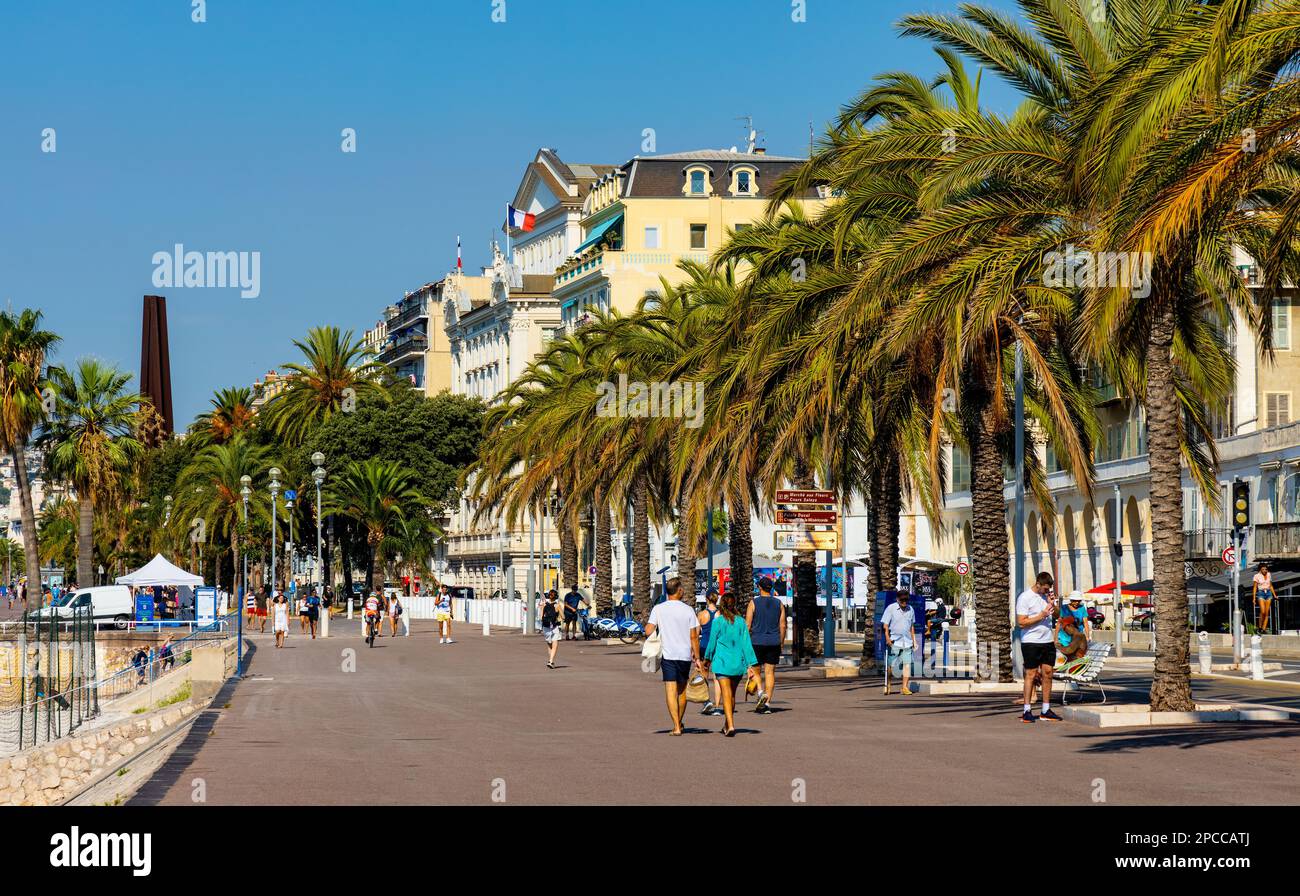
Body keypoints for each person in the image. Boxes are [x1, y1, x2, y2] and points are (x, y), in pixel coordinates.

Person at [645, 576, 701, 736]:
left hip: (667, 654)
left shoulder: (658, 609)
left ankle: (676, 726)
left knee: (670, 689)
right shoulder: (688, 609)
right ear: (679, 590)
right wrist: (697, 658)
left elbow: (649, 630)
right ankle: (679, 722)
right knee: (682, 691)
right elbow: (694, 635)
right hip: (684, 655)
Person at [703, 590, 759, 737]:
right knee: (732, 695)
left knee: (726, 694)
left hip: (722, 663)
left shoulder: (718, 622)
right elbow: (747, 645)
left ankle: (731, 725)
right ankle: (727, 724)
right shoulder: (741, 622)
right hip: (737, 664)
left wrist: (707, 660)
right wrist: (751, 665)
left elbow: (712, 643)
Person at [1016, 571, 1062, 722]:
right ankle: (1027, 710)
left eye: (1049, 589)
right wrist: (1040, 616)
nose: (1047, 591)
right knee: (1031, 674)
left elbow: (1057, 615)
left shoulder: (1047, 597)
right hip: (1031, 641)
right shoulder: (1025, 597)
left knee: (1048, 673)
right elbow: (1021, 622)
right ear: (1038, 584)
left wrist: (1052, 603)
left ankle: (1046, 709)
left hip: (1047, 641)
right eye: (1045, 589)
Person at [745, 576, 785, 713]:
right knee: (770, 673)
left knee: (756, 671)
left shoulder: (753, 603)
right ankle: (767, 703)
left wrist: (745, 643)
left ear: (760, 588)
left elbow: (747, 625)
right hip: (773, 641)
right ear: (771, 588)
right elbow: (783, 625)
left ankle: (761, 693)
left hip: (756, 641)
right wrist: (782, 642)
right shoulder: (779, 604)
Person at [696, 589, 722, 716]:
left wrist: (694, 652)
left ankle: (706, 701)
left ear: (706, 599)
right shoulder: (721, 614)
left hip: (704, 646)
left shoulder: (701, 614)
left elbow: (695, 635)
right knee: (717, 677)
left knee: (704, 674)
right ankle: (717, 706)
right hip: (718, 647)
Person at [1055, 591, 1090, 663]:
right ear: (1071, 600)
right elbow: (1059, 623)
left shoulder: (1082, 608)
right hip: (1064, 636)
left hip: (1077, 636)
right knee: (1064, 656)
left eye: (1078, 601)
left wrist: (1087, 636)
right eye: (1075, 601)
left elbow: (1085, 623)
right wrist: (1055, 638)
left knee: (1072, 654)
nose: (1077, 602)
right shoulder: (1064, 608)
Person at [540, 589, 563, 668]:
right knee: (555, 644)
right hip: (554, 627)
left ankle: (551, 660)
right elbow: (563, 617)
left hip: (546, 627)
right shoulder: (557, 605)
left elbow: (541, 617)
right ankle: (551, 661)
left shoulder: (544, 604)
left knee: (550, 645)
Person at [1253, 564, 1275, 633]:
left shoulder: (1269, 574)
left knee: (1266, 612)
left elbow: (1271, 586)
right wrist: (1253, 598)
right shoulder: (1256, 576)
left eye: (1266, 569)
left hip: (1268, 593)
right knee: (1262, 611)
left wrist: (1274, 595)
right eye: (1263, 569)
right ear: (1260, 569)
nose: (1265, 570)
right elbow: (1255, 587)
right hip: (1261, 593)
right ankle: (1259, 627)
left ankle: (1264, 629)